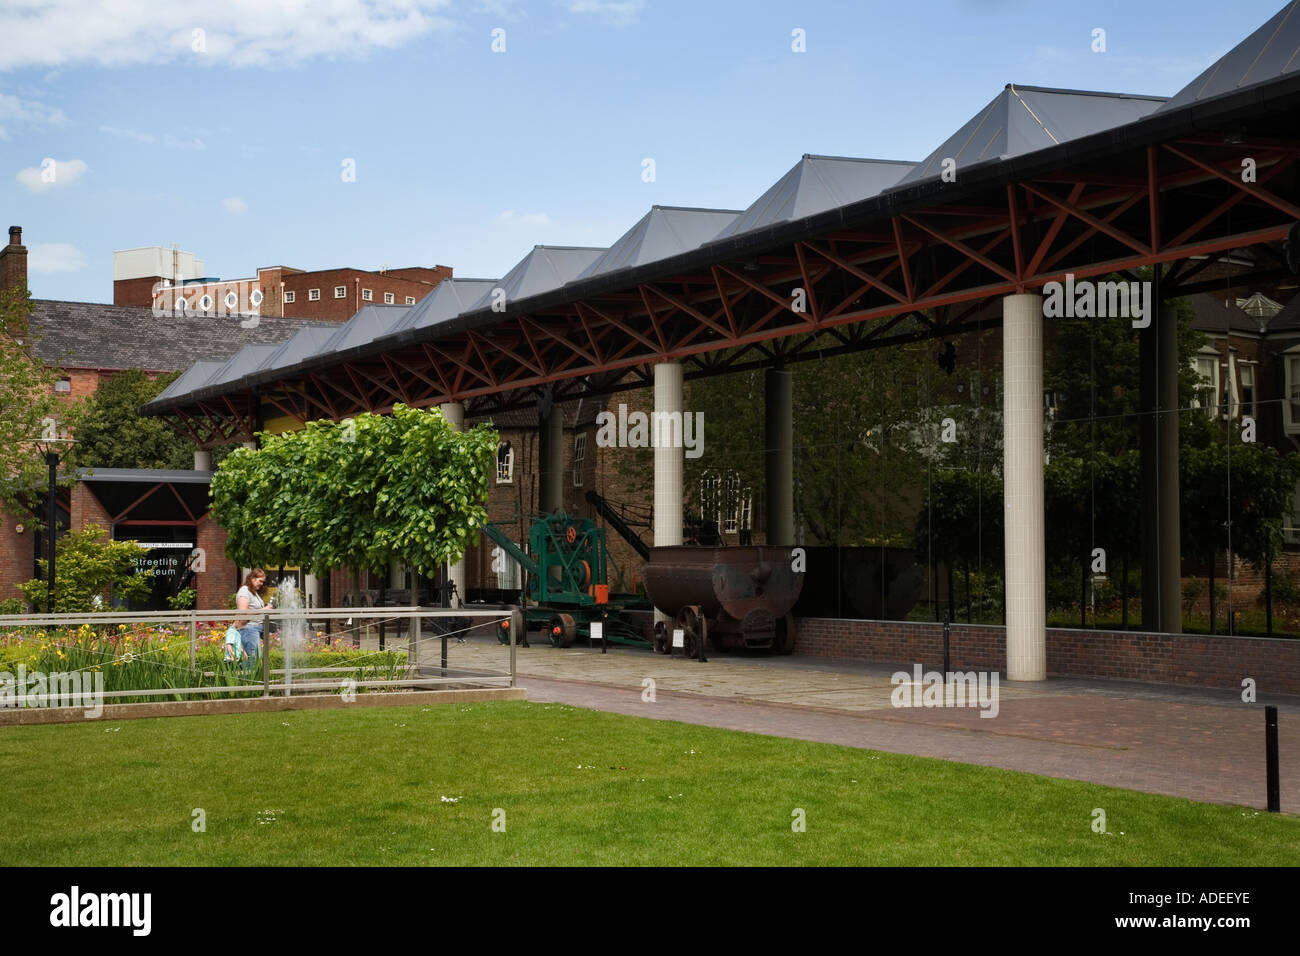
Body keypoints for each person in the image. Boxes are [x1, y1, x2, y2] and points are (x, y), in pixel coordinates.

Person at [234, 569, 273, 672]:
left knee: (254, 657)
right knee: (254, 658)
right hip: (249, 628)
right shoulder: (244, 591)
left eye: (263, 582)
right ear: (252, 579)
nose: (261, 584)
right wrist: (264, 609)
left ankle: (240, 676)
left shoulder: (253, 592)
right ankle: (242, 680)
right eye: (260, 581)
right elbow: (243, 613)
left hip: (254, 629)